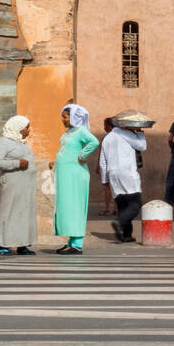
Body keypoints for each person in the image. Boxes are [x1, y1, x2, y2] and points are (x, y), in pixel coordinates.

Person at [53, 103, 99, 254]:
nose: (62, 120)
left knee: (75, 206)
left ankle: (77, 244)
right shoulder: (69, 132)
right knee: (67, 206)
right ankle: (71, 241)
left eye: (65, 117)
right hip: (66, 174)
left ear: (73, 117)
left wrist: (82, 155)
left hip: (75, 174)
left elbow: (94, 142)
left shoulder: (81, 131)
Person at [0, 114, 38, 256]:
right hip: (12, 183)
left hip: (26, 185)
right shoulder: (4, 142)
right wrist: (17, 164)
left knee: (24, 214)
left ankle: (22, 245)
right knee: (9, 212)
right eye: (26, 127)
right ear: (17, 127)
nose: (29, 130)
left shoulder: (21, 142)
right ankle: (2, 245)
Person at [99, 118, 147, 243]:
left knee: (123, 205)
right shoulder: (125, 133)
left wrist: (105, 180)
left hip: (113, 174)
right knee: (135, 204)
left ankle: (127, 235)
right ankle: (119, 222)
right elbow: (142, 146)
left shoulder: (107, 138)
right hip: (127, 173)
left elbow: (102, 162)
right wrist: (140, 132)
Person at [97, 117, 116, 215]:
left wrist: (98, 166)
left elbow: (101, 153)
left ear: (110, 126)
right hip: (116, 166)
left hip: (108, 165)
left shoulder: (106, 138)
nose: (104, 127)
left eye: (105, 125)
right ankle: (116, 209)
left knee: (107, 188)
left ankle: (107, 208)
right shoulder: (119, 136)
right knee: (116, 187)